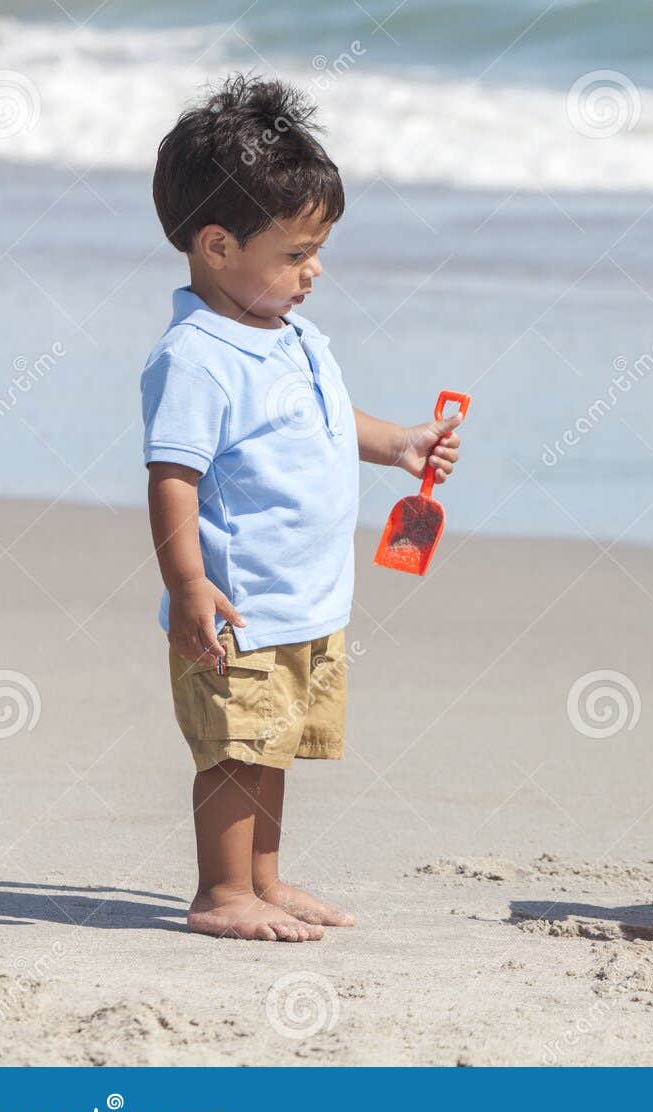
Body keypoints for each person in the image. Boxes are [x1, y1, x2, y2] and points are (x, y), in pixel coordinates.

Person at [142, 75, 463, 941]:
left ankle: (264, 876)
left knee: (273, 745)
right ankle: (221, 890)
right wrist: (190, 582)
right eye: (295, 252)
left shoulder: (286, 328)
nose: (313, 269)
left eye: (318, 248)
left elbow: (321, 420)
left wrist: (396, 442)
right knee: (235, 747)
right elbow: (171, 476)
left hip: (305, 596)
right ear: (217, 245)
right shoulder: (197, 357)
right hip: (238, 601)